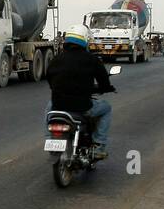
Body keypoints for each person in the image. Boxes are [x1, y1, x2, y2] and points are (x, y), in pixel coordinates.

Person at [45, 23, 115, 159]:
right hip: (82, 107)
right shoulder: (92, 60)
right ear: (85, 40)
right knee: (106, 108)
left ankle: (49, 137)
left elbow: (50, 80)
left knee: (49, 109)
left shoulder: (56, 59)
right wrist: (106, 88)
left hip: (59, 105)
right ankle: (99, 145)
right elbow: (104, 82)